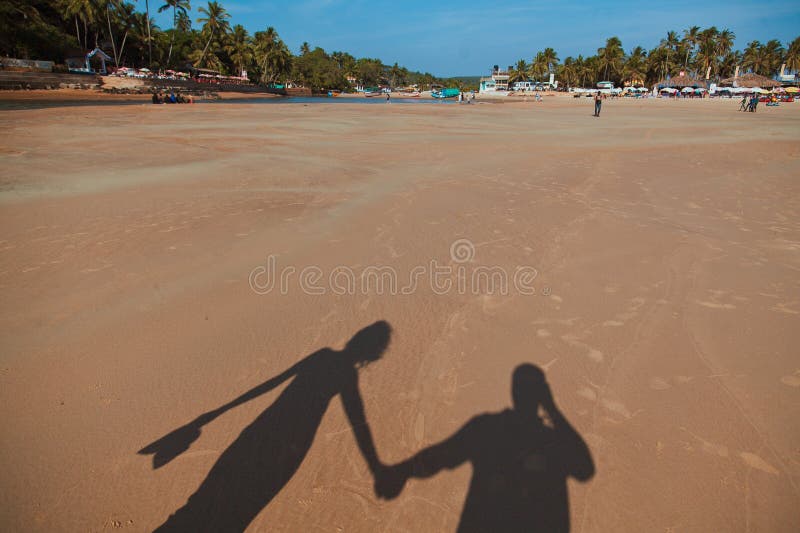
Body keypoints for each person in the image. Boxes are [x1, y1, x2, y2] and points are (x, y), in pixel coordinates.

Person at [141, 321, 392, 532]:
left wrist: (215, 413)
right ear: (375, 352)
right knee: (237, 513)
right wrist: (376, 467)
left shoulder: (324, 356)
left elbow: (271, 383)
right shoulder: (347, 376)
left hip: (260, 431)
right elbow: (359, 424)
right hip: (290, 448)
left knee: (204, 499)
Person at [376, 364, 594, 532]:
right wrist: (552, 409)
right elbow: (585, 469)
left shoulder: (486, 428)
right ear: (542, 394)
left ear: (513, 392)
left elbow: (441, 455)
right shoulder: (555, 441)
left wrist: (402, 472)